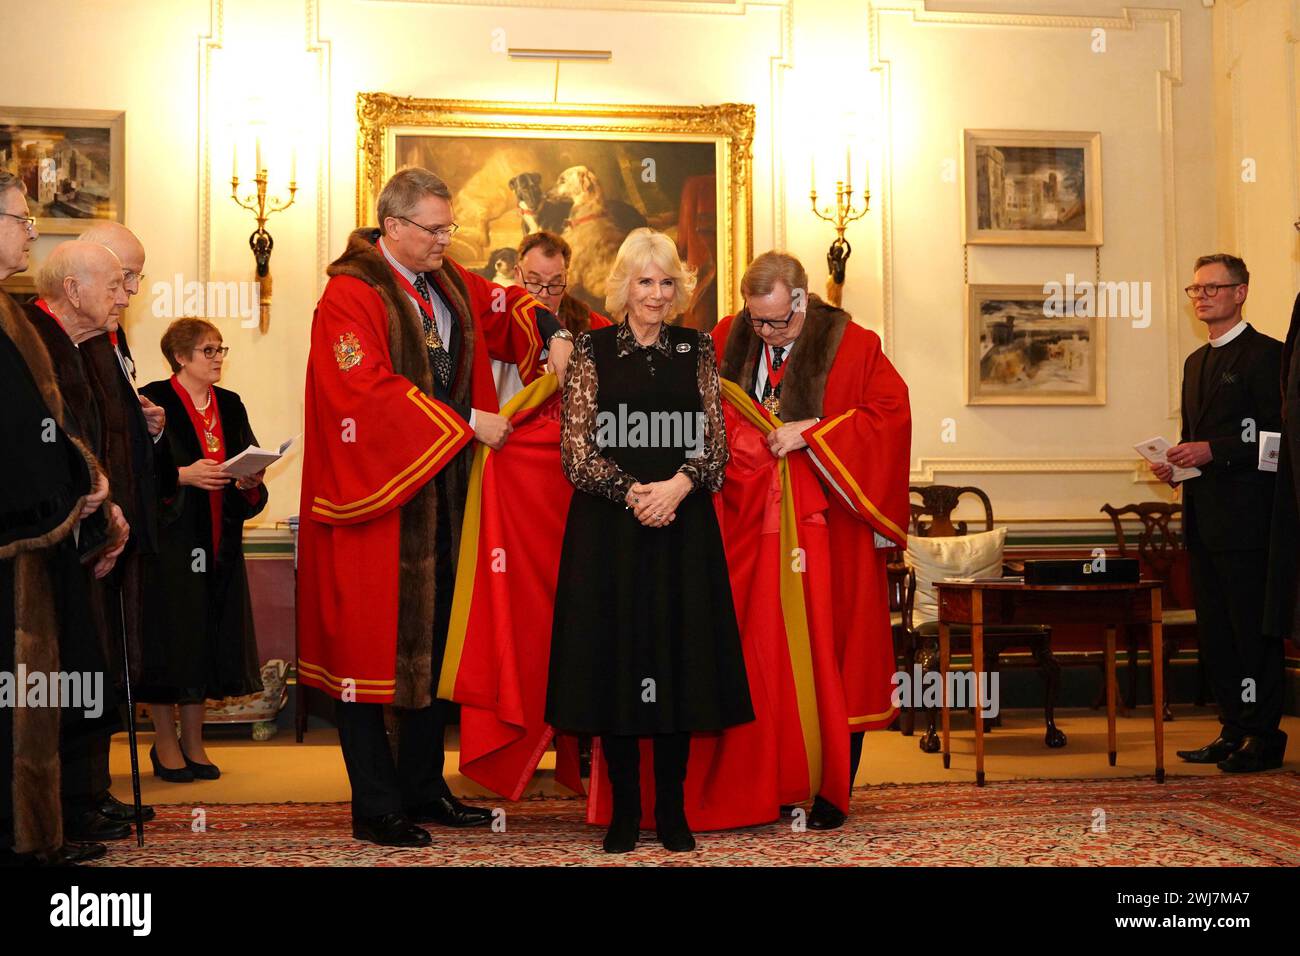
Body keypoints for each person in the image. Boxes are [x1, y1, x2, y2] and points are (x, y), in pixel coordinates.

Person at [297, 167, 574, 847]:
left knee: (439, 647)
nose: (447, 240)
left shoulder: (448, 282)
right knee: (369, 659)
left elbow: (507, 307)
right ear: (393, 226)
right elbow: (361, 391)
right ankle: (376, 803)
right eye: (435, 229)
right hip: (377, 501)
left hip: (448, 497)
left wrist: (555, 331)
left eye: (449, 227)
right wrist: (465, 423)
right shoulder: (349, 295)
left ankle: (424, 786)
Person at [546, 228, 754, 853]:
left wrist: (678, 487)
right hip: (609, 531)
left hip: (682, 527)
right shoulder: (589, 350)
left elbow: (716, 444)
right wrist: (638, 493)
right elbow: (576, 451)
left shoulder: (697, 350)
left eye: (667, 282)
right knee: (617, 663)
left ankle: (671, 812)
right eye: (645, 281)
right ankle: (624, 812)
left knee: (677, 662)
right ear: (624, 287)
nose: (658, 294)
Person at [713, 251, 912, 829]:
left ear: (802, 299)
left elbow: (890, 417)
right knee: (760, 654)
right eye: (759, 321)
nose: (767, 332)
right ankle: (770, 781)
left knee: (832, 648)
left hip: (830, 528)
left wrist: (815, 432)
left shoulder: (855, 344)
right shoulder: (730, 336)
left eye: (779, 321)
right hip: (748, 525)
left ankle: (830, 789)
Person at [0, 170, 118, 864]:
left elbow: (44, 422)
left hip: (37, 534)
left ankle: (34, 831)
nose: (29, 232)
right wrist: (72, 489)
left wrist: (86, 483)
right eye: (19, 218)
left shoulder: (10, 312)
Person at [1157, 255, 1287, 773]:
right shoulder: (1194, 362)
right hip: (1203, 522)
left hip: (1251, 524)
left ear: (1241, 292)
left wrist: (1218, 451)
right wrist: (1179, 467)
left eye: (1215, 287)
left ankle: (1264, 736)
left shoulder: (1270, 357)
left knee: (1253, 632)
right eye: (1196, 288)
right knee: (1217, 634)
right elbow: (1198, 444)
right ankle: (1233, 729)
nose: (1203, 296)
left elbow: (1282, 445)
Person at [22, 242, 133, 843]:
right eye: (114, 284)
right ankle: (63, 808)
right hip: (47, 533)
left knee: (89, 670)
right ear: (73, 289)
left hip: (87, 526)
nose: (124, 296)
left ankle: (84, 797)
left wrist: (112, 512)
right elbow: (50, 440)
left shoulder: (87, 347)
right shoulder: (35, 340)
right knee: (62, 676)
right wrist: (97, 497)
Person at [137, 319, 268, 782]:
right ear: (181, 356)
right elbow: (135, 474)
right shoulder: (152, 399)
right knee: (171, 642)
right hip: (170, 546)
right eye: (208, 350)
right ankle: (165, 744)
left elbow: (246, 465)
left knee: (206, 643)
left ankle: (195, 743)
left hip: (220, 543)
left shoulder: (230, 404)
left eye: (220, 349)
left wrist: (250, 480)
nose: (217, 357)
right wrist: (182, 475)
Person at [76, 222, 172, 826]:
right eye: (124, 276)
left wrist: (148, 425)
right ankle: (77, 795)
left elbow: (117, 416)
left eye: (137, 276)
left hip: (126, 517)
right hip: (88, 522)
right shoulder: (62, 335)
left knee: (114, 660)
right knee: (86, 663)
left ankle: (94, 789)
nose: (132, 290)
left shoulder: (112, 336)